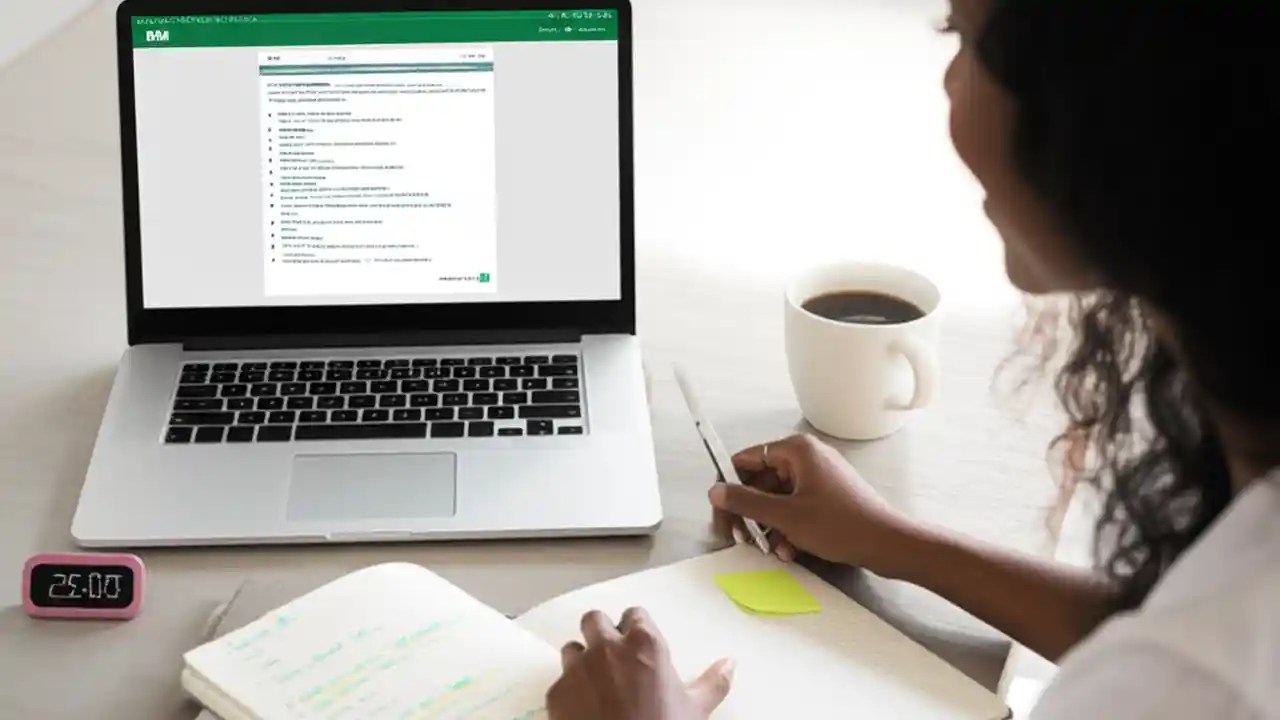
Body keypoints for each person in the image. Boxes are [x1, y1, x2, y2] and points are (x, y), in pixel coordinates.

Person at [545, 0, 1280, 717]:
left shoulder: (1197, 682)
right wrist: (894, 542)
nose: (947, 83)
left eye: (962, 38)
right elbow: (1154, 619)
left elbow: (1170, 661)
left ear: (1107, 98)